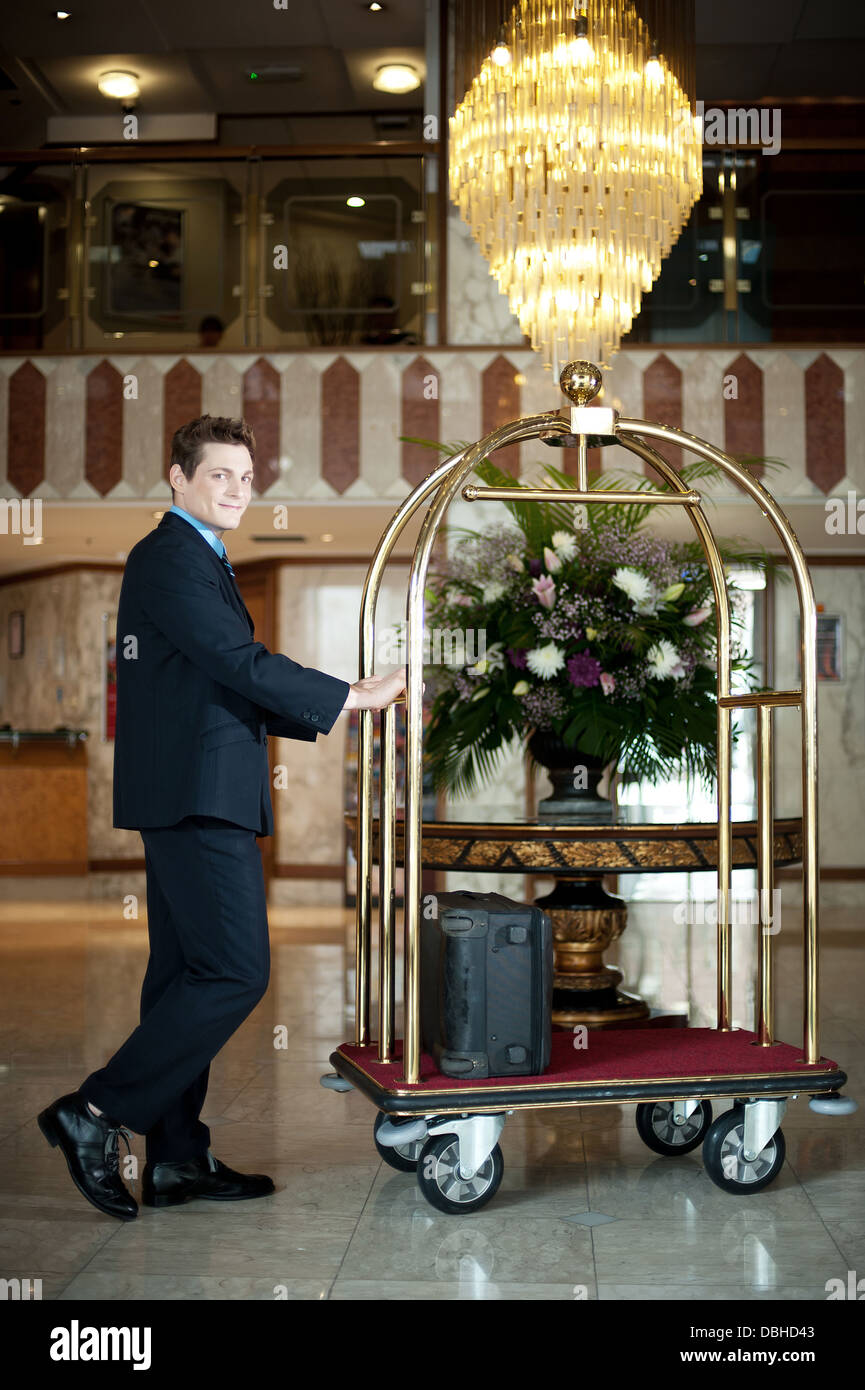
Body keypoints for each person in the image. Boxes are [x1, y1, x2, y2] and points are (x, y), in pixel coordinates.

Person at [38, 414, 406, 1220]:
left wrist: (330, 700)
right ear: (178, 477)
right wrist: (348, 693)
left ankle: (175, 1160)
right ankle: (93, 1113)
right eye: (220, 476)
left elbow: (219, 679)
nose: (238, 490)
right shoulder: (171, 555)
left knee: (182, 976)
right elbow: (239, 664)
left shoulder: (196, 558)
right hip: (196, 798)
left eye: (246, 477)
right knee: (237, 970)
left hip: (193, 792)